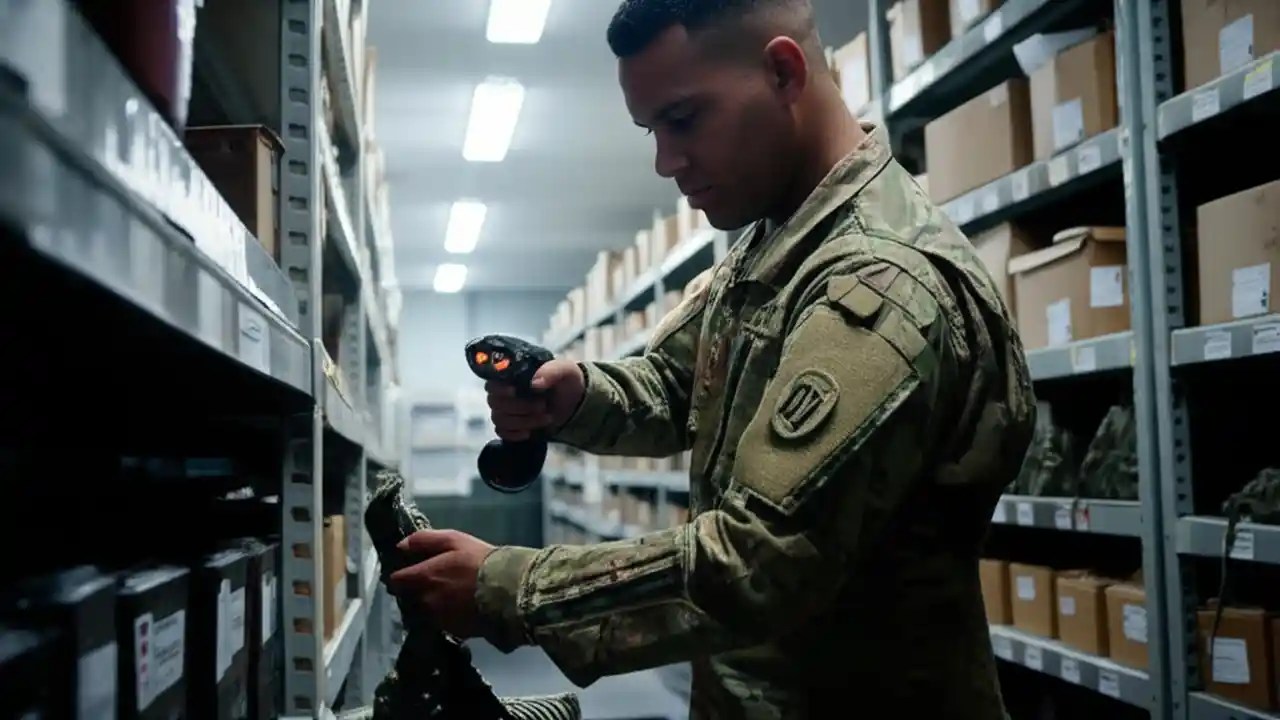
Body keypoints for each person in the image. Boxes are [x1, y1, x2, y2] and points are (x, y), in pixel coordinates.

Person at [388, 0, 1036, 716]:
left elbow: (757, 560)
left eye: (684, 119)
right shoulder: (777, 247)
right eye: (652, 130)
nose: (667, 161)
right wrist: (575, 397)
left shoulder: (878, 286)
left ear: (783, 71)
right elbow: (676, 384)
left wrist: (507, 587)